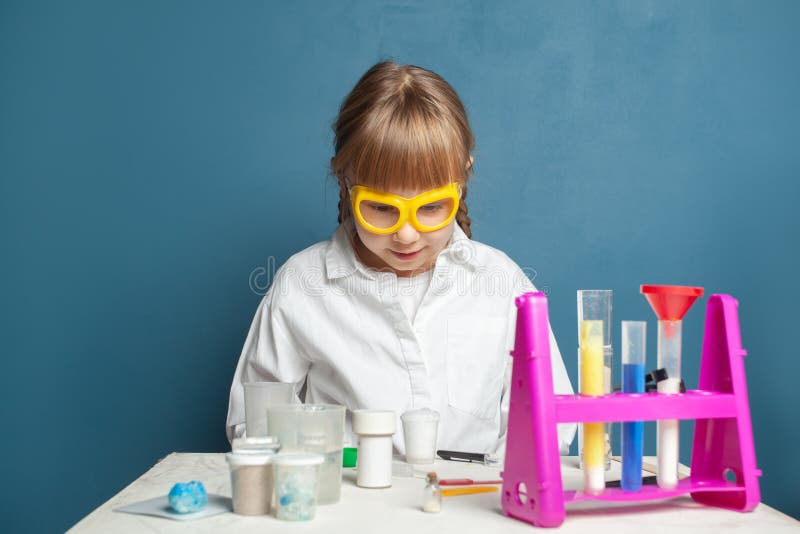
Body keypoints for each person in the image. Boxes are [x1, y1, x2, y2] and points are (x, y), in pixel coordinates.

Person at [226, 61, 576, 457]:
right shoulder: (302, 287)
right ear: (345, 185)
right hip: (348, 511)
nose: (406, 234)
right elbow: (252, 428)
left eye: (430, 208)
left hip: (472, 508)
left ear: (462, 181)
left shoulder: (502, 285)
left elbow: (548, 423)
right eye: (381, 208)